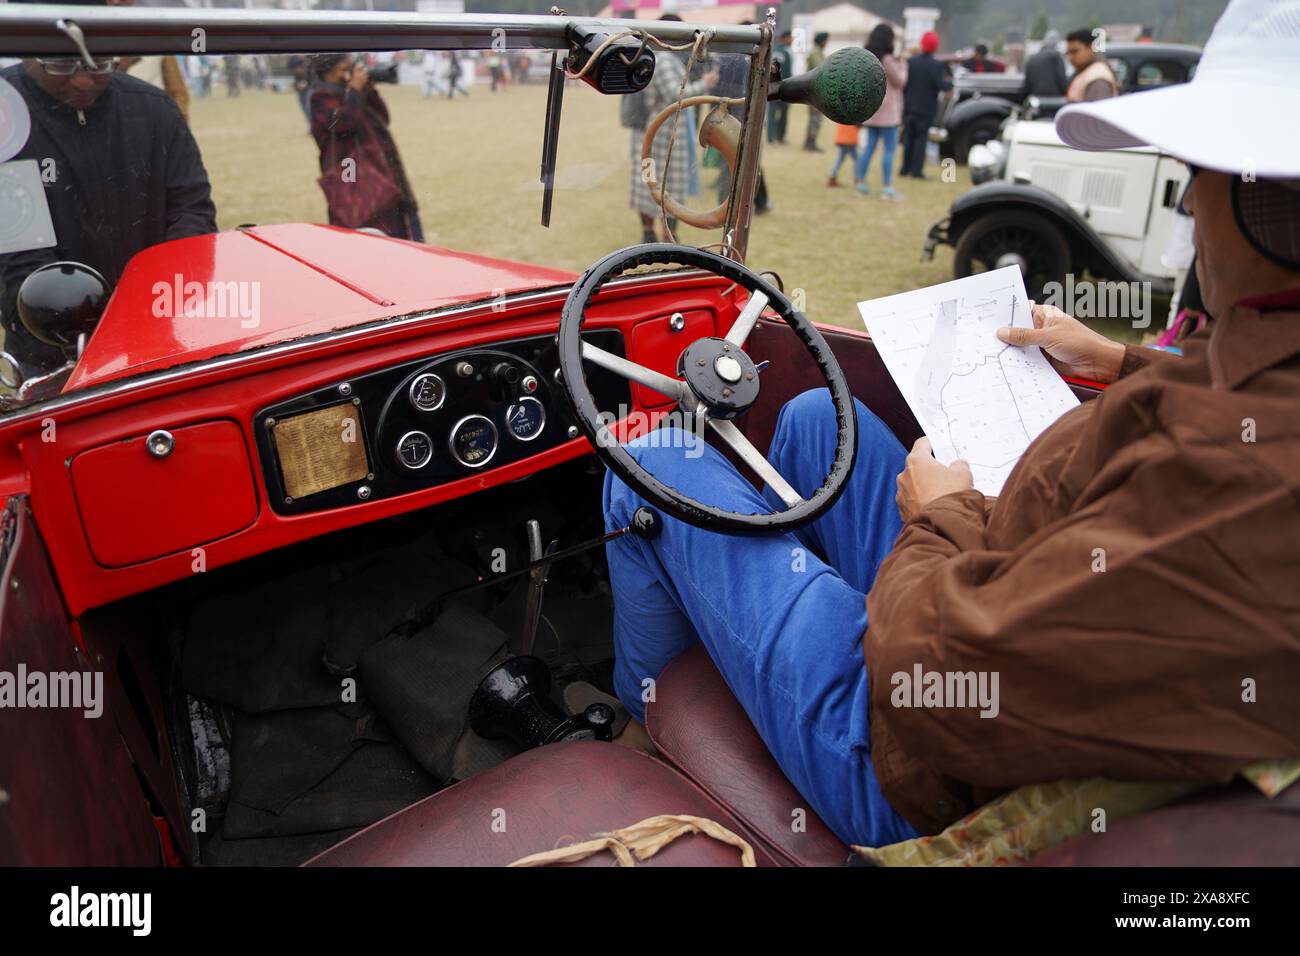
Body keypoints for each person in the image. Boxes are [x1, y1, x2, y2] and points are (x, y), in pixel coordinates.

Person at [600, 0, 1300, 849]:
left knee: (653, 453)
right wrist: (1119, 364)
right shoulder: (1254, 401)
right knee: (824, 416)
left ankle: (644, 736)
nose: (1189, 201)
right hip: (984, 605)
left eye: (1205, 175)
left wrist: (940, 518)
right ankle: (788, 632)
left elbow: (953, 676)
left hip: (913, 755)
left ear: (1270, 213)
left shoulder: (1237, 481)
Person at [0, 44, 216, 375]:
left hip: (159, 337)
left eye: (99, 62)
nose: (84, 81)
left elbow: (192, 212)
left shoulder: (153, 108)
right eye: (62, 64)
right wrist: (76, 323)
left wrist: (157, 298)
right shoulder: (6, 115)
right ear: (28, 49)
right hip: (51, 354)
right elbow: (18, 254)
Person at [308, 54, 422, 242]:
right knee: (362, 232)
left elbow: (383, 117)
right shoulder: (320, 97)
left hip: (385, 176)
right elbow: (345, 124)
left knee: (403, 240)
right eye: (346, 64)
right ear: (331, 67)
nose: (352, 67)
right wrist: (354, 89)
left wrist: (367, 90)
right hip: (353, 177)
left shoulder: (354, 92)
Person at [629, 15, 719, 243]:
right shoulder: (666, 60)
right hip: (665, 134)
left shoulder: (653, 57)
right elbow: (674, 94)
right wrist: (704, 85)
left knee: (647, 183)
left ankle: (650, 235)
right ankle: (668, 236)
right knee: (670, 185)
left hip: (653, 131)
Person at [854, 24, 907, 200]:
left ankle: (860, 182)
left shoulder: (866, 58)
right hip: (888, 112)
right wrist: (904, 64)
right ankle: (887, 187)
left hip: (872, 109)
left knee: (869, 147)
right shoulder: (887, 59)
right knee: (890, 149)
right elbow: (899, 81)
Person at [900, 30, 949, 179]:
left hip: (909, 106)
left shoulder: (911, 62)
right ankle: (916, 171)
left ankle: (904, 168)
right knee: (920, 140)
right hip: (926, 108)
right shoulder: (937, 65)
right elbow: (940, 84)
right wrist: (950, 83)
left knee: (908, 138)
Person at [1064, 27, 1118, 101]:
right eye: (1068, 53)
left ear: (1090, 48)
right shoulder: (1085, 72)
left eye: (1074, 52)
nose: (1070, 57)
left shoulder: (1098, 78)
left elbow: (1097, 110)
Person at [801, 32, 829, 152]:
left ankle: (810, 142)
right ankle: (810, 143)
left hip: (815, 90)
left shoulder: (817, 52)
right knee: (815, 118)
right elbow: (821, 69)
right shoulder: (816, 53)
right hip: (815, 91)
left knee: (815, 118)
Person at [1021, 29, 1067, 98]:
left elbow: (1027, 84)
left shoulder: (1032, 59)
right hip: (1054, 101)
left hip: (1035, 99)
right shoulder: (1057, 57)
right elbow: (1062, 79)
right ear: (1057, 43)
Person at [767, 30, 793, 144]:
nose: (792, 40)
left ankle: (773, 136)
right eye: (790, 37)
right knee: (781, 112)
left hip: (773, 85)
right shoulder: (785, 52)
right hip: (783, 85)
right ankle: (778, 136)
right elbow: (787, 71)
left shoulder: (775, 50)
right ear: (785, 38)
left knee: (774, 112)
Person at [827, 122, 859, 187]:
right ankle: (858, 178)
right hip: (850, 138)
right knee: (857, 160)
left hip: (843, 137)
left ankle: (832, 176)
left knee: (840, 159)